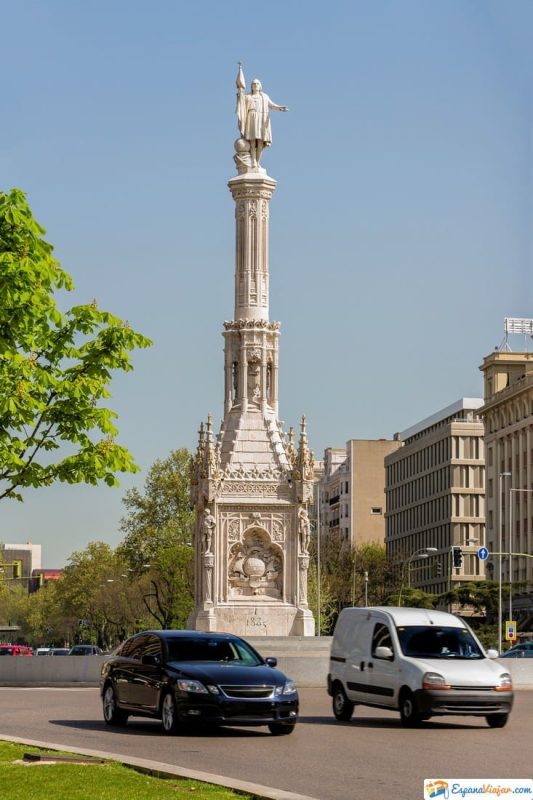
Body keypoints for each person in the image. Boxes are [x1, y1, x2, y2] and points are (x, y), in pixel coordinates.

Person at [236, 66, 288, 169]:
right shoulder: (248, 97)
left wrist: (280, 108)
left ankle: (257, 161)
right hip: (251, 118)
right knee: (252, 142)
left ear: (260, 86)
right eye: (254, 84)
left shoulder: (264, 97)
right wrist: (240, 93)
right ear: (251, 86)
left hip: (261, 119)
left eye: (257, 84)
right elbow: (241, 104)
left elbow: (272, 105)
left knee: (260, 143)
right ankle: (253, 161)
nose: (255, 85)